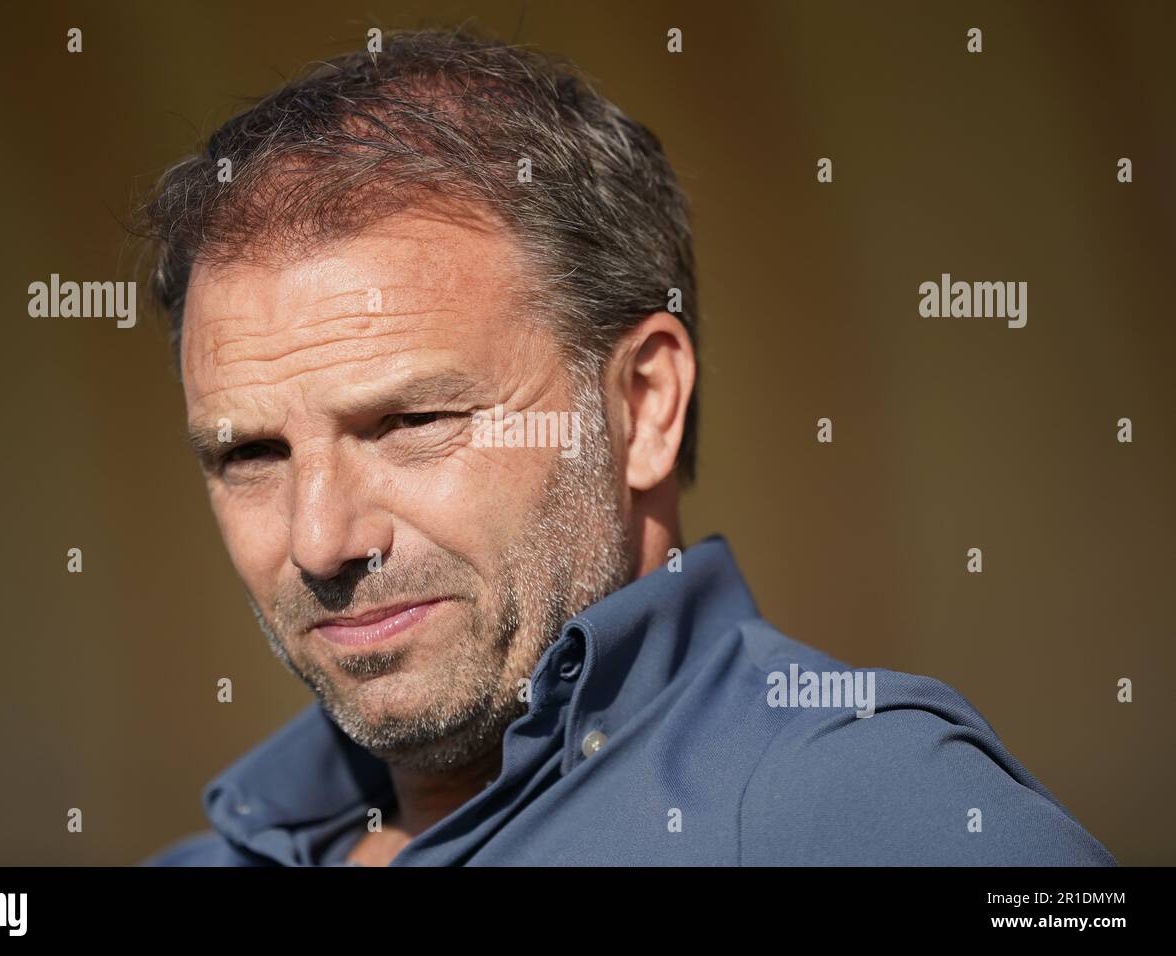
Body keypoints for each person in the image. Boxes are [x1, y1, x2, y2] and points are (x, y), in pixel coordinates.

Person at [137, 28, 1114, 866]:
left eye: (408, 423)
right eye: (249, 453)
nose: (319, 539)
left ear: (644, 404)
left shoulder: (874, 815)